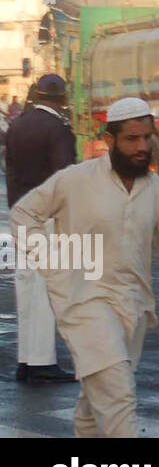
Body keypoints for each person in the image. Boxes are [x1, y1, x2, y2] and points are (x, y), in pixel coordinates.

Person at [11, 97, 159, 437]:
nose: (142, 147)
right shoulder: (76, 180)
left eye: (146, 138)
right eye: (132, 139)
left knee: (97, 395)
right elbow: (24, 214)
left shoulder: (154, 188)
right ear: (110, 140)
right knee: (118, 394)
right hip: (84, 302)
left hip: (133, 307)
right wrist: (54, 263)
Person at [4, 73, 78, 383]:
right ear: (61, 99)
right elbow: (64, 175)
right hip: (46, 218)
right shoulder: (58, 129)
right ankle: (42, 363)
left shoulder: (17, 125)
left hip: (21, 212)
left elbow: (9, 170)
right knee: (46, 288)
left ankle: (26, 361)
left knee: (27, 287)